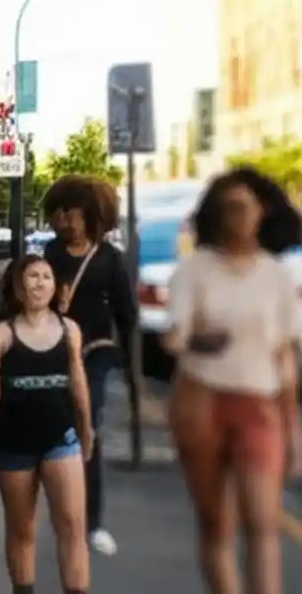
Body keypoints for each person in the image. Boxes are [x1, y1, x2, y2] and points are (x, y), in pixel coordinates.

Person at [163, 167, 302, 594]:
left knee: (262, 521)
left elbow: (285, 354)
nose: (236, 216)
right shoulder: (194, 270)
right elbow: (174, 336)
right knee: (216, 522)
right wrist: (196, 340)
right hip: (201, 402)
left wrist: (292, 427)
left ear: (263, 212)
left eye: (244, 206)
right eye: (227, 208)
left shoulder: (276, 276)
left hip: (260, 406)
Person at [0, 256, 94, 594]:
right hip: (13, 443)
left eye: (47, 276)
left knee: (72, 526)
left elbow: (78, 383)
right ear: (19, 285)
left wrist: (86, 428)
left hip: (62, 439)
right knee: (22, 529)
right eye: (32, 276)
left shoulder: (69, 330)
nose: (39, 283)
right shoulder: (2, 332)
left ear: (55, 286)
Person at [40, 175, 136, 556]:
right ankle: (60, 511)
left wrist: (130, 366)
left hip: (95, 353)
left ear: (91, 215)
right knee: (51, 436)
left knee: (87, 431)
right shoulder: (49, 254)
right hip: (51, 353)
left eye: (69, 211)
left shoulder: (109, 259)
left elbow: (126, 312)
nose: (61, 219)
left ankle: (92, 523)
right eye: (56, 212)